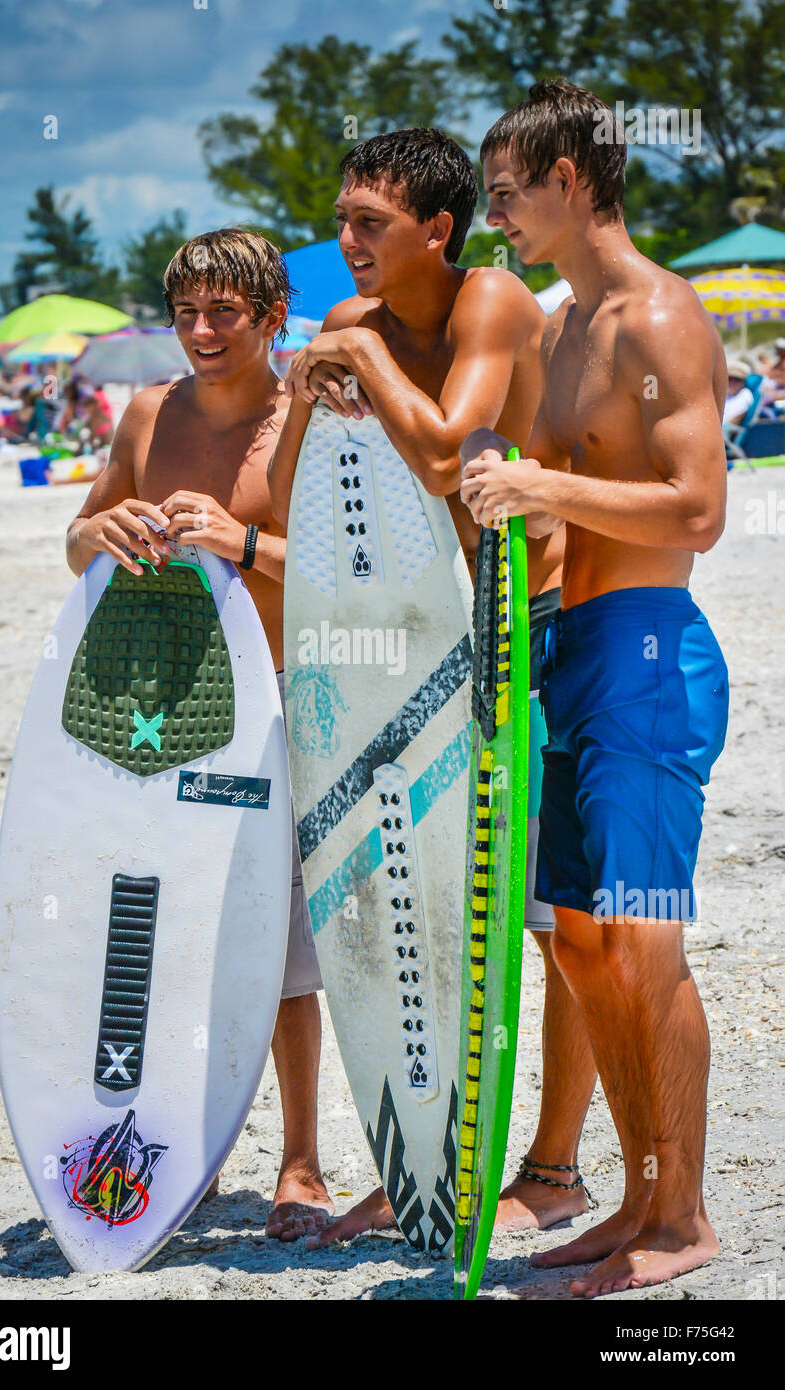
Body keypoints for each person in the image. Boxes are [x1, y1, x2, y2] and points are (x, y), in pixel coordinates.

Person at [267, 126, 571, 1245]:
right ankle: (423, 1168)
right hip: (412, 645)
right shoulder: (349, 324)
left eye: (370, 223)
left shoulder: (490, 297)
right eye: (341, 220)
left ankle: (551, 1168)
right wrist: (307, 387)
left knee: (543, 918)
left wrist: (361, 352)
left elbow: (448, 454)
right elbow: (286, 498)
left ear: (437, 230)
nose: (347, 242)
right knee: (412, 897)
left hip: (526, 629)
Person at [460, 79, 729, 1298]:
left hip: (646, 659)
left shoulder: (657, 317)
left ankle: (683, 1213)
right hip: (565, 652)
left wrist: (542, 487)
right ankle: (633, 1197)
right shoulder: (562, 325)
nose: (495, 218)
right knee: (577, 941)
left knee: (639, 938)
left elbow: (697, 508)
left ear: (568, 180)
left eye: (507, 194)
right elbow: (541, 490)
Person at [64, 229, 332, 1243]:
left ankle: (300, 1161)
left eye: (224, 311)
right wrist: (99, 533)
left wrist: (241, 540)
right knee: (167, 935)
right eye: (186, 313)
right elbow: (78, 539)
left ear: (271, 316)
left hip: (285, 709)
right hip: (167, 712)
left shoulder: (305, 416)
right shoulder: (147, 413)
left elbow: (345, 574)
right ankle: (182, 1143)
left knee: (280, 946)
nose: (202, 331)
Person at [722, 360, 754, 426]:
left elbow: (735, 420)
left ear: (743, 382)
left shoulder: (745, 394)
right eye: (730, 378)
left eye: (737, 379)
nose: (732, 382)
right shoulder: (722, 395)